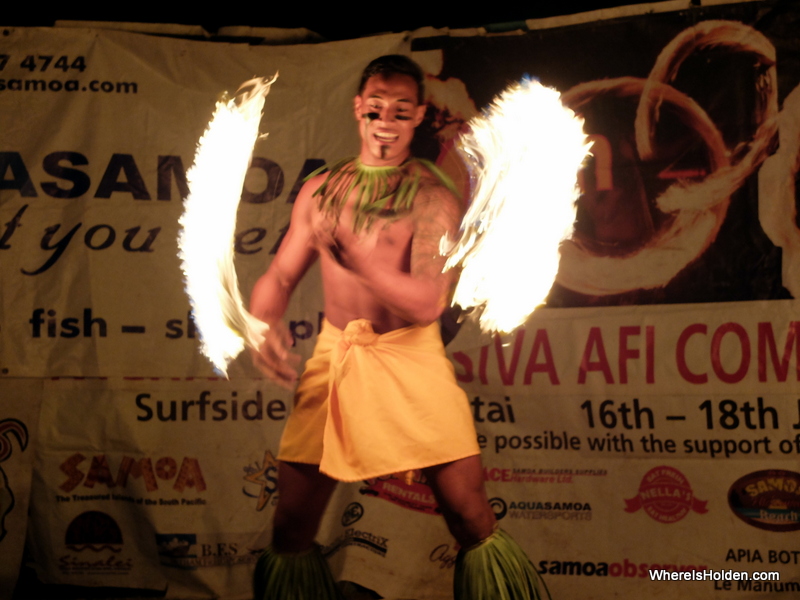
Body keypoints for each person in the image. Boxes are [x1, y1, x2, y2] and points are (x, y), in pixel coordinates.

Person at [250, 55, 545, 600]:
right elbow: (280, 273)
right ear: (359, 108)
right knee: (290, 527)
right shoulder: (320, 192)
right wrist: (260, 319)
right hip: (336, 357)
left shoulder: (432, 198)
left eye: (401, 110)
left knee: (469, 516)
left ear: (417, 118)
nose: (386, 120)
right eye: (377, 107)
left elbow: (429, 302)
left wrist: (363, 263)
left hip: (411, 358)